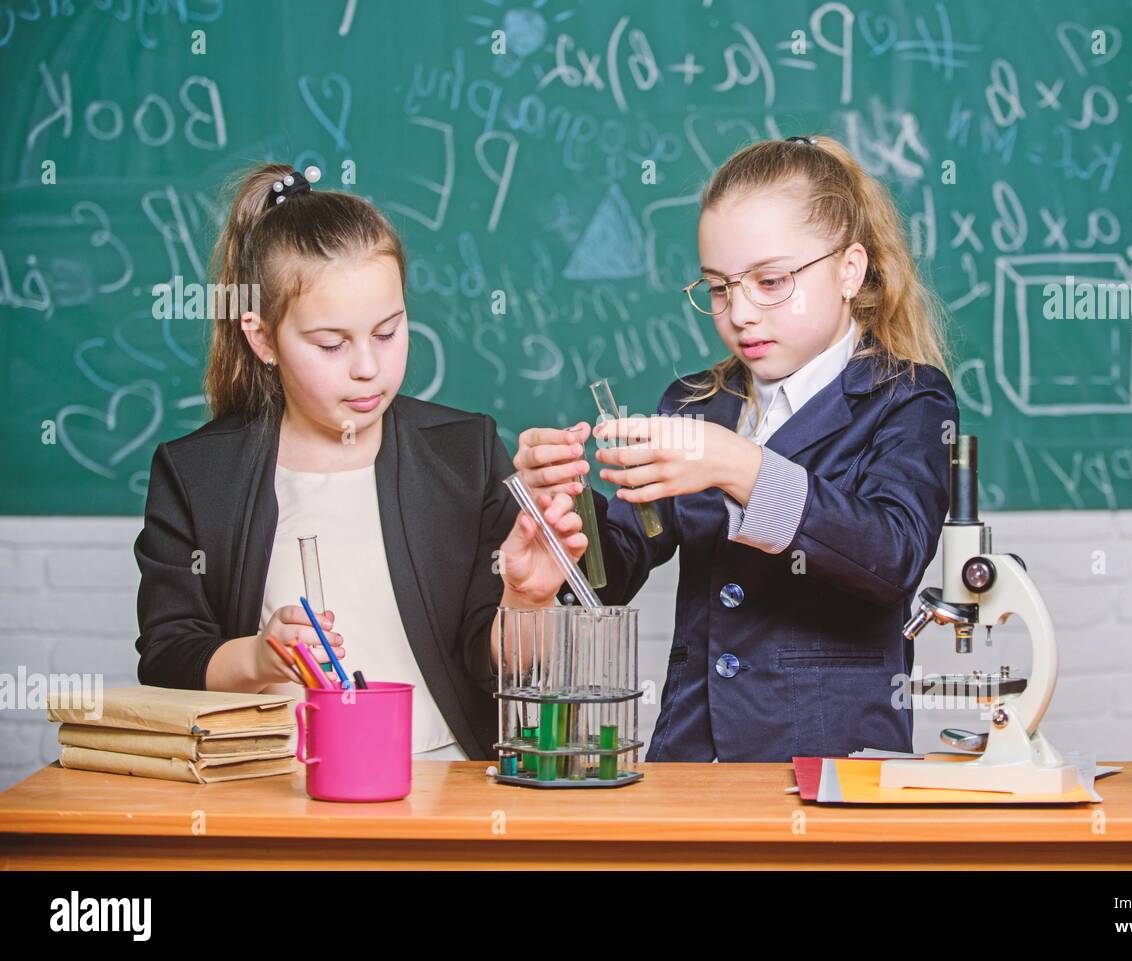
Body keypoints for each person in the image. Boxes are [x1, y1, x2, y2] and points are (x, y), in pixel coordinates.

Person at [513, 136, 959, 761]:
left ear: (849, 269)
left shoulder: (907, 400)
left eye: (770, 281)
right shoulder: (695, 402)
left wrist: (738, 465)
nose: (739, 313)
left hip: (835, 768)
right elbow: (611, 575)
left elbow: (891, 559)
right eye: (719, 288)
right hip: (693, 760)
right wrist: (566, 509)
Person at [134, 163, 585, 760]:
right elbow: (168, 655)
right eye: (330, 344)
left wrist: (525, 605)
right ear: (262, 338)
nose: (368, 368)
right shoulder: (197, 474)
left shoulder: (464, 451)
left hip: (444, 785)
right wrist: (258, 656)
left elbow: (491, 661)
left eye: (388, 332)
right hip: (275, 789)